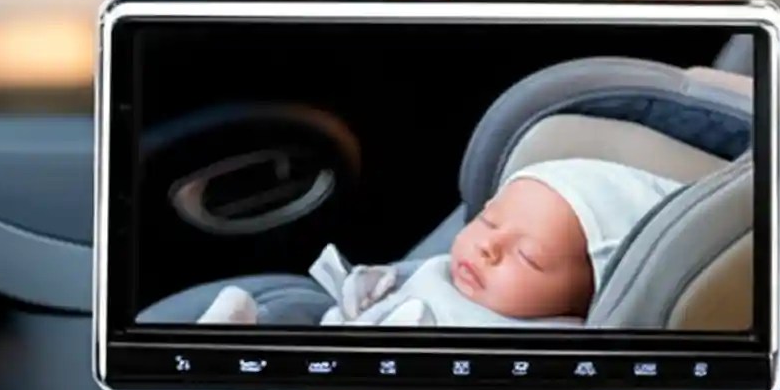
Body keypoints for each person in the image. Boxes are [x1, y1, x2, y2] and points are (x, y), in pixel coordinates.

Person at [199, 159, 681, 327]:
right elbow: (394, 279)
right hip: (350, 336)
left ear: (586, 299)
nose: (487, 248)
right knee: (293, 316)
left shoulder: (549, 344)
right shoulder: (448, 270)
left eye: (529, 257)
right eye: (490, 222)